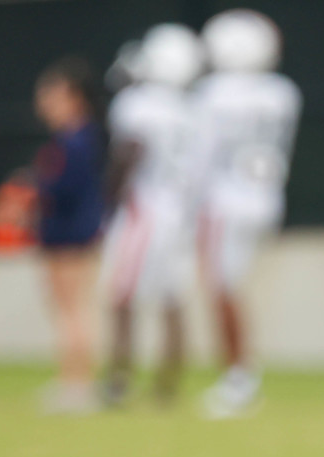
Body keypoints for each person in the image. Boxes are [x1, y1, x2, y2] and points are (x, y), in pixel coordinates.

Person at [192, 9, 301, 418]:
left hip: (224, 199)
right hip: (265, 195)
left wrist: (192, 207)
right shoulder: (282, 92)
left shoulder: (212, 94)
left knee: (222, 288)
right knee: (231, 287)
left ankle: (238, 378)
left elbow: (202, 156)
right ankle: (239, 375)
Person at [101, 24, 204, 406]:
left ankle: (118, 379)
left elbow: (130, 152)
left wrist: (109, 199)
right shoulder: (194, 109)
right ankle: (167, 383)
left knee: (122, 294)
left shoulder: (136, 103)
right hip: (179, 210)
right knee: (171, 296)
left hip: (145, 208)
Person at [33, 55, 105, 413]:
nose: (45, 104)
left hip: (71, 232)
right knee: (67, 308)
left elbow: (65, 187)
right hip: (66, 231)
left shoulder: (77, 140)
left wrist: (33, 190)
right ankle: (72, 379)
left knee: (72, 309)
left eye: (53, 96)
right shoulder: (70, 138)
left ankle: (78, 383)